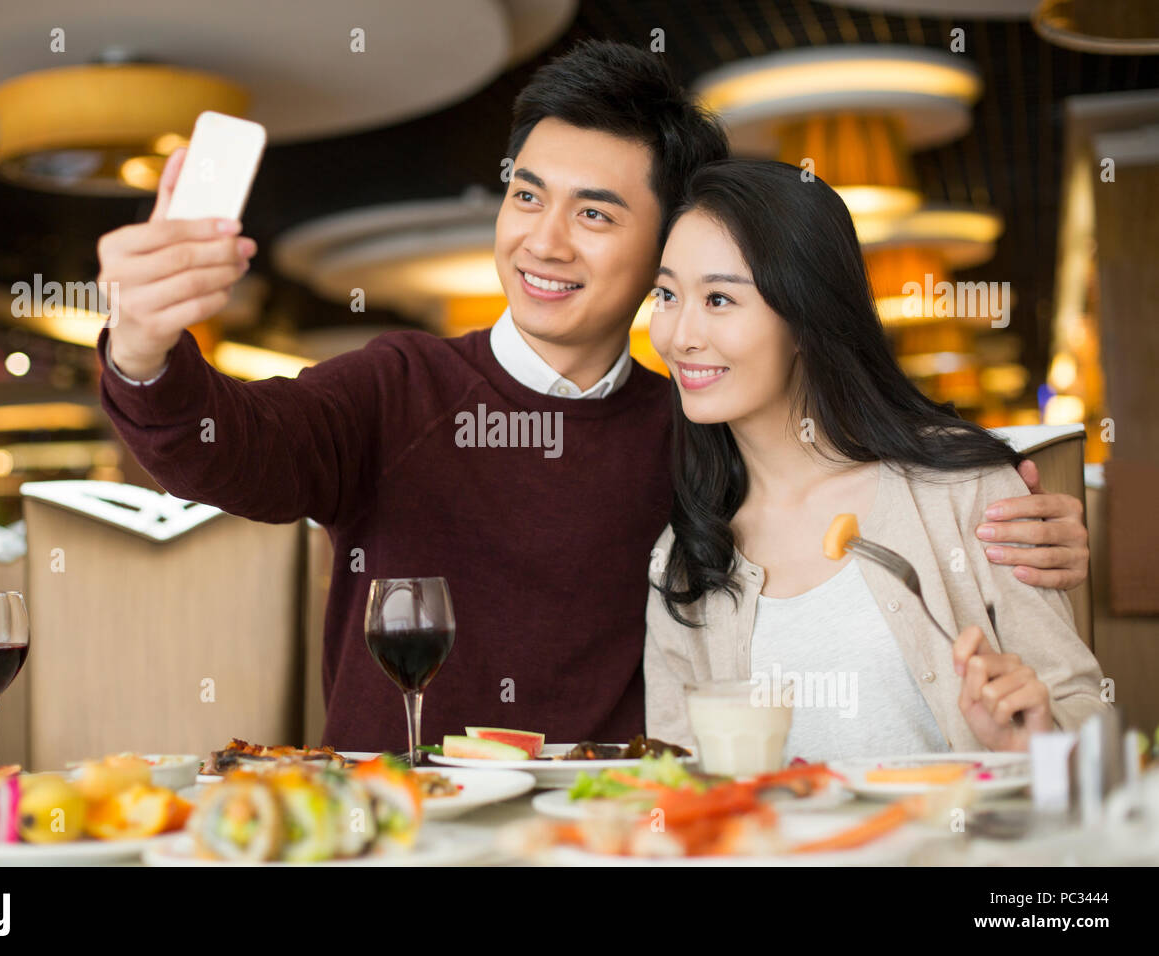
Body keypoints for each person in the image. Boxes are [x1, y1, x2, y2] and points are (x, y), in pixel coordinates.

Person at [95, 41, 1089, 753]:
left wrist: (1005, 517)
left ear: (667, 242)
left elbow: (840, 469)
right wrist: (145, 346)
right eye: (527, 194)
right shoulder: (394, 389)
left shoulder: (700, 429)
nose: (543, 239)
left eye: (595, 212)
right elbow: (225, 448)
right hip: (401, 838)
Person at [643, 159, 1107, 757]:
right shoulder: (683, 562)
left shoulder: (967, 492)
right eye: (666, 293)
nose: (680, 334)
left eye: (719, 299)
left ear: (806, 317)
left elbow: (1084, 711)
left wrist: (1038, 738)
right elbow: (674, 785)